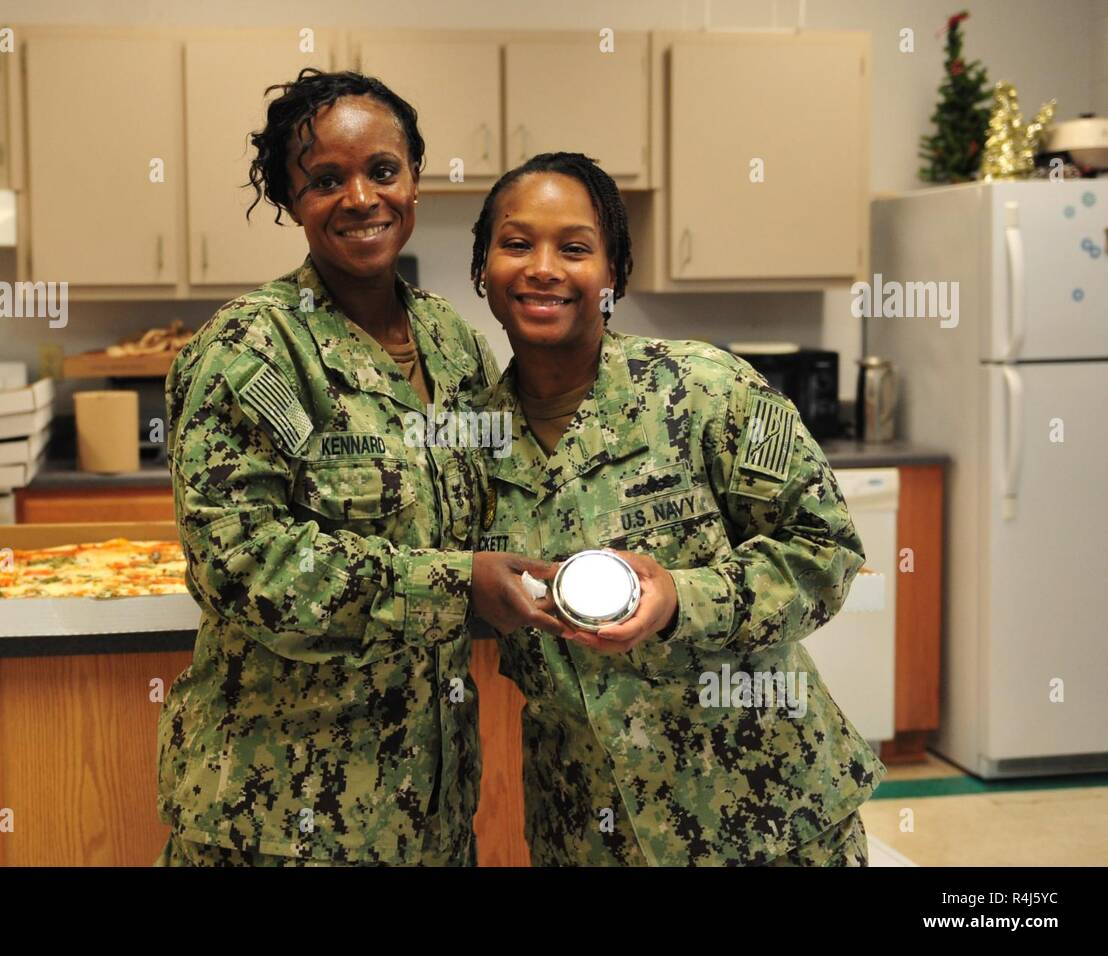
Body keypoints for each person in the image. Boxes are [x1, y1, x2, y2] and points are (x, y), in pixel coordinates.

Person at [154, 70, 561, 867]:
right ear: (290, 199)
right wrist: (455, 587)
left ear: (414, 179)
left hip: (430, 813)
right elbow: (243, 568)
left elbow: (503, 506)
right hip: (278, 820)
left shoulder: (454, 342)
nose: (361, 199)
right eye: (325, 180)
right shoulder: (251, 349)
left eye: (382, 170)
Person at [470, 152, 887, 866]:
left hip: (766, 818)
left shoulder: (705, 390)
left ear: (614, 273)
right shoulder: (468, 442)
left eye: (575, 248)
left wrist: (680, 599)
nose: (543, 268)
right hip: (590, 831)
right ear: (483, 269)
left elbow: (826, 552)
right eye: (516, 244)